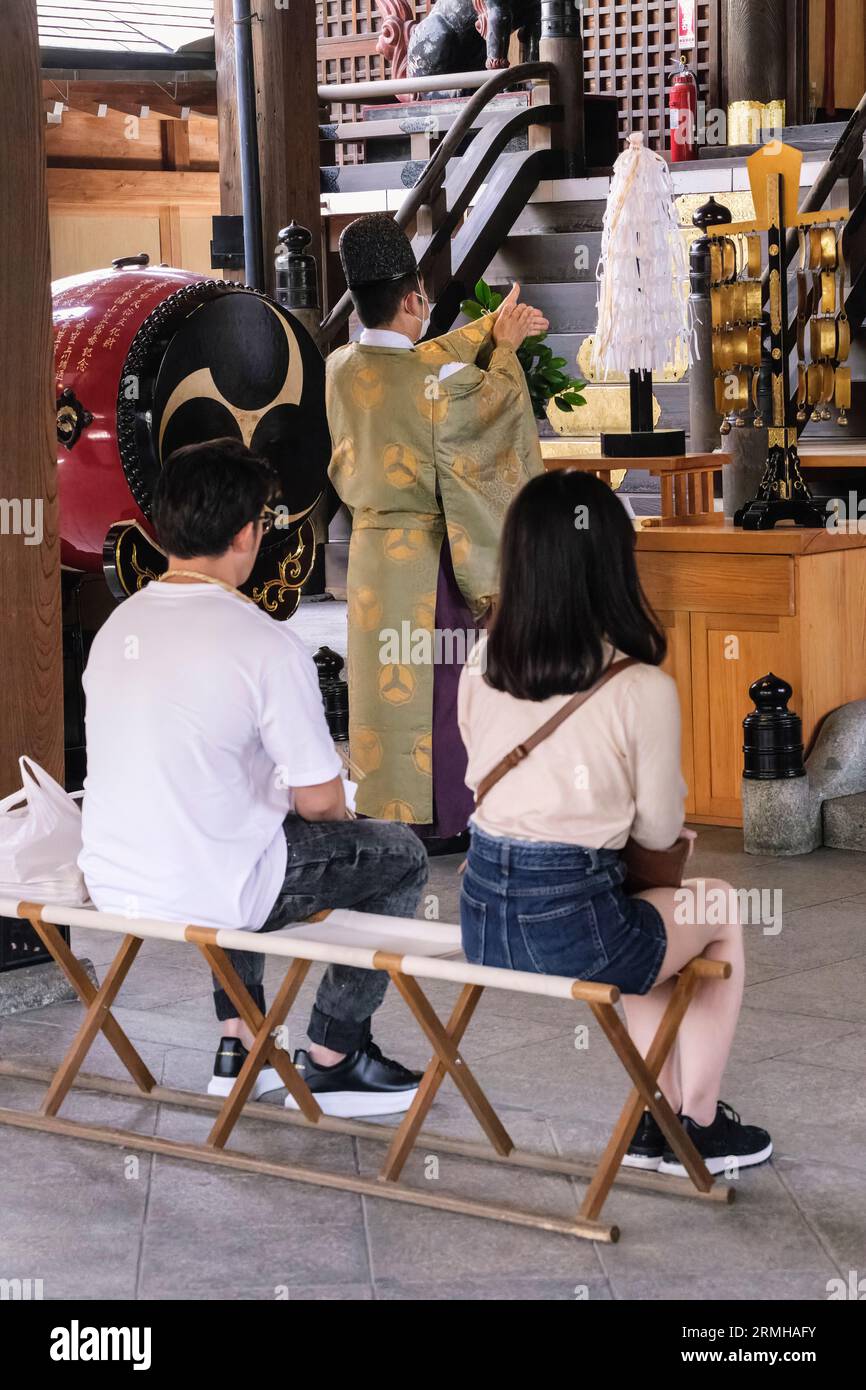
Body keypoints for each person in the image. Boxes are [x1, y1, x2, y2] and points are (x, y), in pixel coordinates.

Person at [79, 438, 428, 1118]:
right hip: (212, 886)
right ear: (247, 532)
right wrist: (337, 813)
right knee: (400, 857)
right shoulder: (264, 641)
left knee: (236, 827)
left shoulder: (119, 625)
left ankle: (240, 1042)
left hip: (115, 876)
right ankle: (335, 1054)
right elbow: (322, 801)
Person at [456, 470, 772, 1176]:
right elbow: (661, 832)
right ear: (611, 563)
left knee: (649, 919)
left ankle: (657, 1118)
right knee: (716, 904)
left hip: (482, 918)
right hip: (576, 930)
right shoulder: (641, 685)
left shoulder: (480, 661)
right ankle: (698, 1122)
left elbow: (480, 779)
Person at [327, 212, 547, 849]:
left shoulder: (340, 367)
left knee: (378, 686)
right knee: (441, 685)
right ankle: (445, 815)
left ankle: (383, 805)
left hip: (370, 555)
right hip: (428, 556)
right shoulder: (443, 385)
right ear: (410, 298)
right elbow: (488, 406)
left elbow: (419, 359)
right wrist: (502, 349)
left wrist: (486, 330)